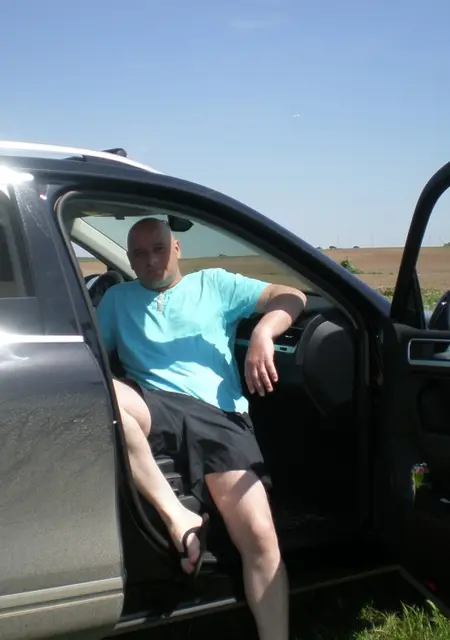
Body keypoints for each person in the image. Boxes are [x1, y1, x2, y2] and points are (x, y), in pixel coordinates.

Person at [96, 217, 306, 640]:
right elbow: (89, 356)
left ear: (177, 248)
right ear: (130, 260)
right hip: (155, 404)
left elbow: (292, 296)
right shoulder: (117, 300)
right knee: (105, 395)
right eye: (139, 254)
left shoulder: (215, 284)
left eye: (158, 249)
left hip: (217, 415)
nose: (151, 260)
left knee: (260, 540)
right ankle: (179, 518)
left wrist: (264, 331)